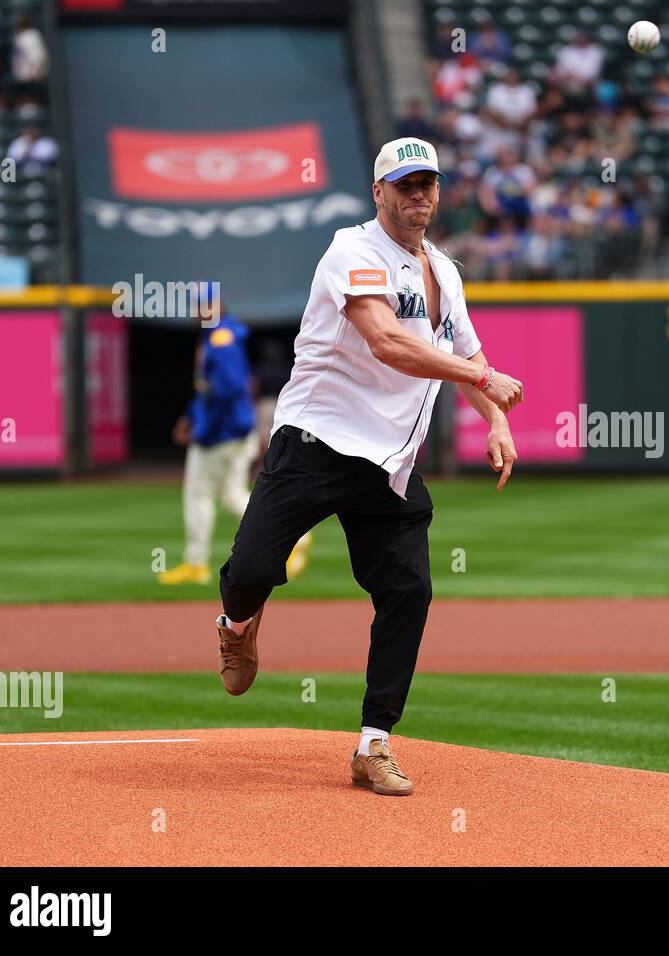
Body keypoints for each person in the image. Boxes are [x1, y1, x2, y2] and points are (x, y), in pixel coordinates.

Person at [214, 138, 523, 796]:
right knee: (252, 571)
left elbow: (467, 350)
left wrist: (493, 416)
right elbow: (386, 342)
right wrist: (484, 379)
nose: (419, 196)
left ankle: (373, 744)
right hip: (317, 441)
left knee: (408, 592)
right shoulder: (350, 250)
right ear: (379, 192)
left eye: (428, 183)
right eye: (404, 184)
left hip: (391, 463)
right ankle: (236, 624)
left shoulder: (447, 270)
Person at [158, 289, 311, 586]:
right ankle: (296, 536)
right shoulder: (219, 335)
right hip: (233, 429)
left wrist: (204, 428)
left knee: (199, 494)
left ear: (217, 304)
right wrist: (192, 416)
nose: (199, 310)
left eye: (204, 304)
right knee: (232, 495)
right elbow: (213, 388)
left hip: (222, 433)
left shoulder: (220, 339)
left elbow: (226, 389)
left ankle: (195, 563)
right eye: (197, 304)